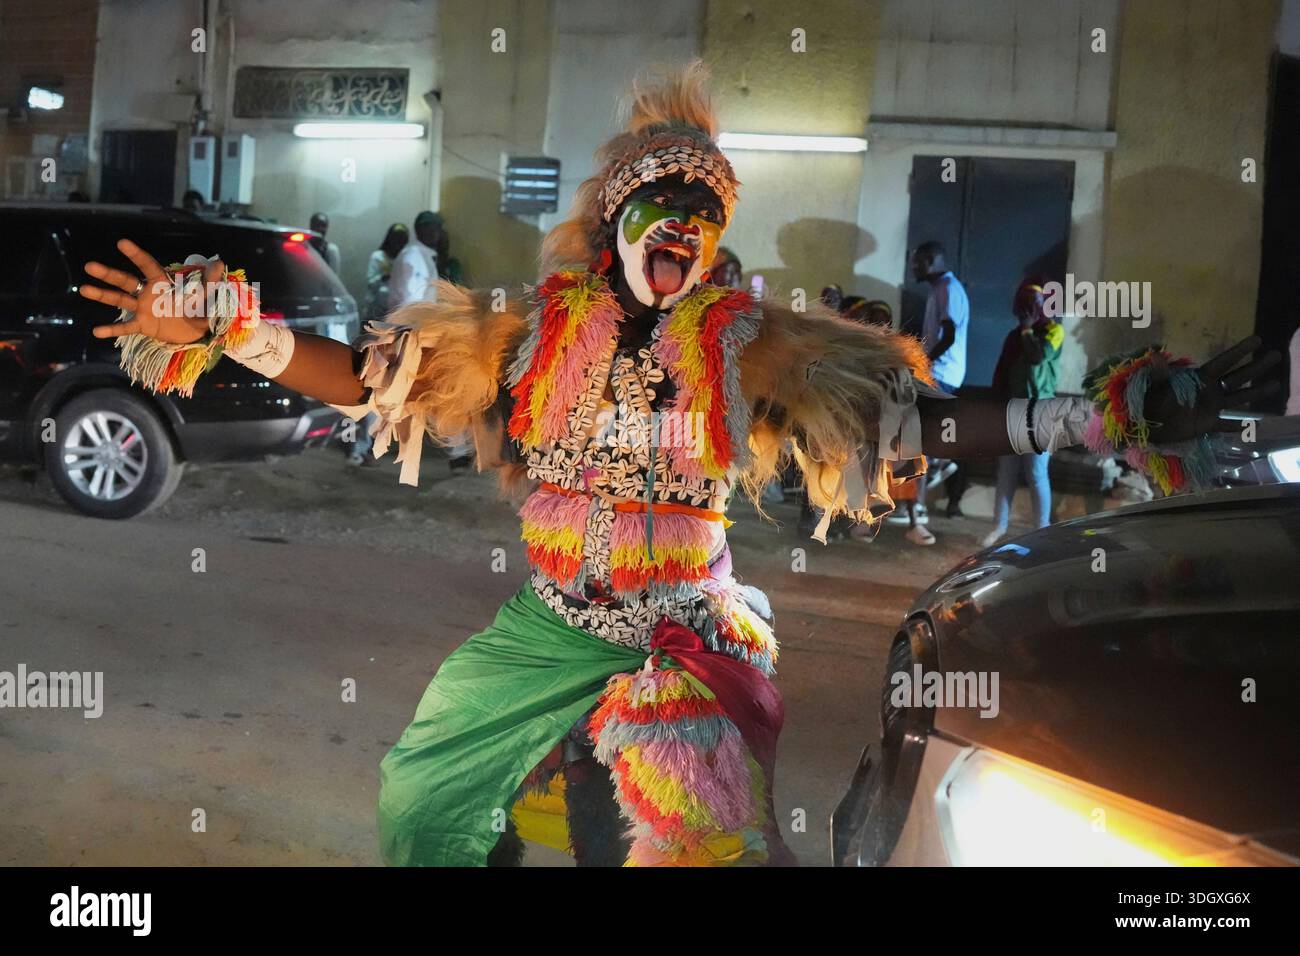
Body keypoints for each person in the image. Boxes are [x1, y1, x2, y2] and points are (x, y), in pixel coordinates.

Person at [79, 63, 1276, 867]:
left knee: (693, 816)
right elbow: (369, 376)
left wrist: (1088, 418)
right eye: (660, 208)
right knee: (419, 799)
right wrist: (237, 324)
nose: (682, 232)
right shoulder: (528, 333)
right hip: (548, 624)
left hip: (681, 629)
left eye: (701, 217)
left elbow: (912, 422)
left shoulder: (750, 345)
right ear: (616, 227)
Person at [981, 279, 1065, 548]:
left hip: (1041, 411)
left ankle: (1042, 531)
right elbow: (1001, 373)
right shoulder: (1012, 336)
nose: (1027, 309)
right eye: (1024, 304)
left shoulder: (1054, 331)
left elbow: (1037, 357)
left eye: (1034, 304)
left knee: (1036, 473)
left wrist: (1028, 331)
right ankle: (999, 527)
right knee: (1006, 471)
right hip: (1013, 410)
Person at [387, 211, 470, 470]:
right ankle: (360, 447)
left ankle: (458, 453)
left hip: (420, 333)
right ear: (421, 230)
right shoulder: (413, 256)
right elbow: (414, 303)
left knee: (436, 392)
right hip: (412, 334)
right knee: (404, 391)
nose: (437, 233)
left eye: (438, 229)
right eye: (433, 228)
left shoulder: (422, 256)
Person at [914, 240, 970, 521]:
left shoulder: (948, 288)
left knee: (922, 437)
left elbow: (948, 334)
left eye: (918, 260)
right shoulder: (939, 289)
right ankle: (940, 464)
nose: (914, 266)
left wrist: (925, 361)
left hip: (941, 372)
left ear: (933, 259)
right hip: (937, 371)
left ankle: (940, 465)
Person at [348, 223, 410, 467]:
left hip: (395, 329)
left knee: (387, 390)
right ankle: (358, 447)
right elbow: (373, 284)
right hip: (375, 327)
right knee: (367, 387)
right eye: (396, 238)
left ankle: (375, 446)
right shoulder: (379, 257)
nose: (398, 243)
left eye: (402, 239)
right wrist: (390, 276)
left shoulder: (405, 260)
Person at [388, 211, 444, 312]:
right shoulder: (414, 256)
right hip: (412, 324)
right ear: (423, 229)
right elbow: (412, 302)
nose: (439, 232)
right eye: (436, 227)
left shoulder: (420, 254)